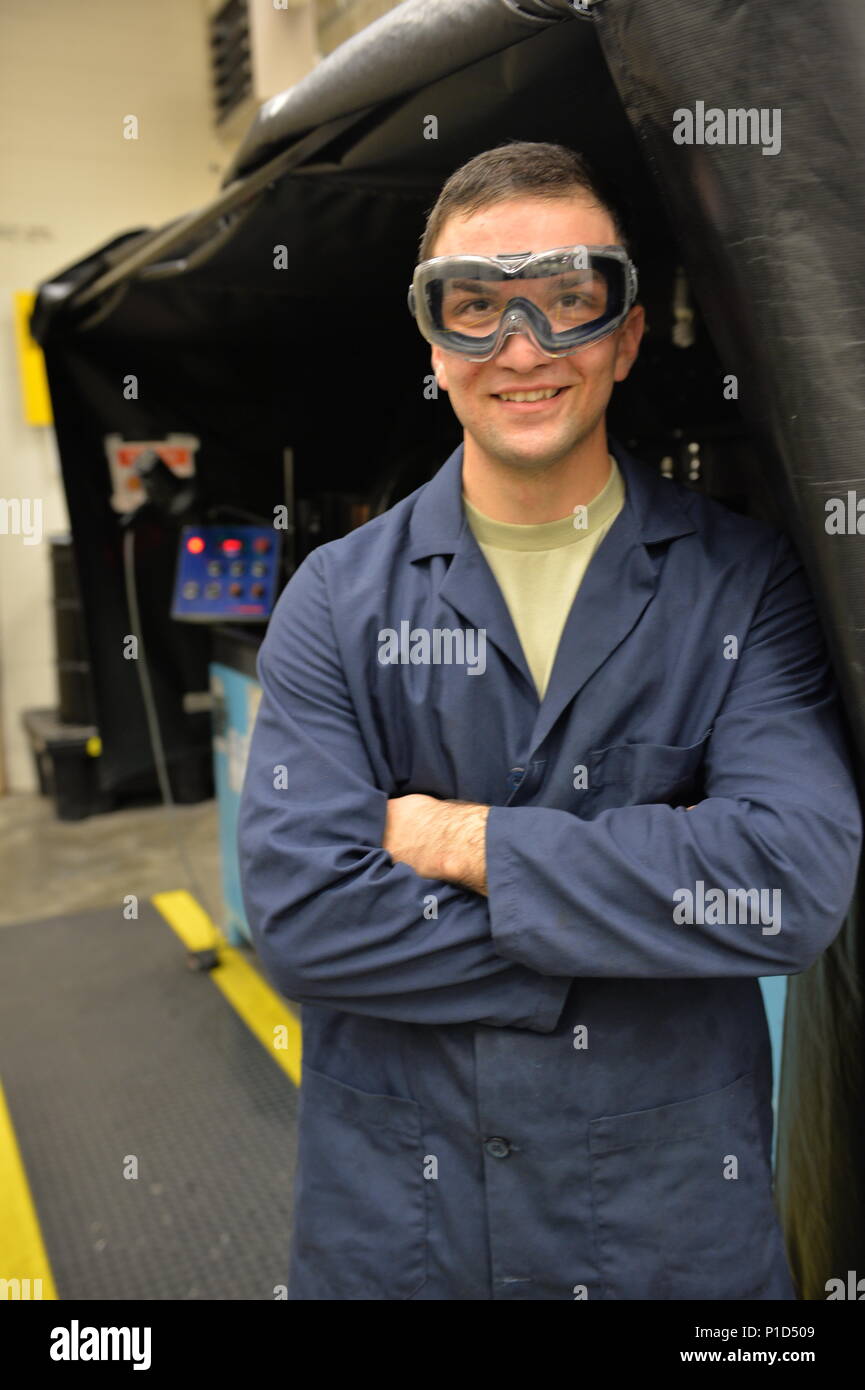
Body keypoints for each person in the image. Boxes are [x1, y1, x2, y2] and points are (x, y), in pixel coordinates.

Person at [237, 140, 862, 1301]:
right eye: (473, 305)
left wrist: (461, 842)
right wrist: (631, 923)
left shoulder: (742, 583)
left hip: (669, 1229)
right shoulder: (334, 596)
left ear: (626, 335)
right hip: (403, 1228)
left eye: (566, 299)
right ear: (434, 346)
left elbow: (787, 879)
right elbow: (303, 917)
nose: (519, 347)